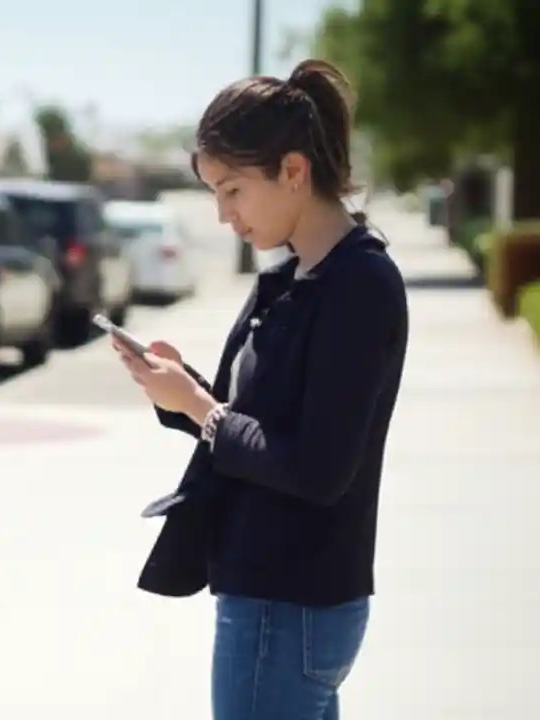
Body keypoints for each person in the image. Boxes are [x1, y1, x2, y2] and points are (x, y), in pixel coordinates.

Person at [110, 59, 409, 719]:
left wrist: (201, 409)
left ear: (294, 172)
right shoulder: (292, 278)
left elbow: (316, 468)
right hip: (275, 597)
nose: (222, 215)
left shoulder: (357, 286)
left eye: (233, 190)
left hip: (290, 602)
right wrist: (181, 391)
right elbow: (252, 423)